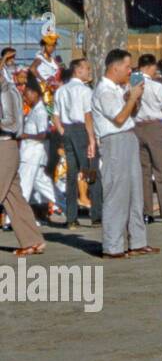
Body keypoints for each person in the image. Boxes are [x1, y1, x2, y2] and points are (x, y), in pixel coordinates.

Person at [91, 49, 156, 258]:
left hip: (128, 137)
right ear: (115, 67)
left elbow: (129, 114)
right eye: (127, 67)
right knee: (117, 193)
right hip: (115, 140)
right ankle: (112, 246)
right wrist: (132, 99)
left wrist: (134, 99)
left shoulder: (118, 89)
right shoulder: (104, 91)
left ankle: (137, 241)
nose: (130, 71)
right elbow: (118, 118)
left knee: (135, 192)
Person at [52, 57, 101, 227]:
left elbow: (55, 115)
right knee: (91, 171)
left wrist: (63, 131)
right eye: (86, 68)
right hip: (82, 130)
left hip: (67, 130)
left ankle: (71, 218)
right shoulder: (85, 90)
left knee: (72, 175)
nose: (89, 71)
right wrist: (92, 139)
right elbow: (88, 116)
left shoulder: (61, 90)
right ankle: (96, 216)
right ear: (78, 70)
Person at [0, 73, 44, 256]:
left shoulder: (7, 91)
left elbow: (13, 124)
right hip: (6, 147)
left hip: (5, 145)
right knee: (14, 198)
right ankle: (32, 241)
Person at [134, 54, 162, 224]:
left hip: (137, 127)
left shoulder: (131, 84)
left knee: (143, 173)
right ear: (150, 67)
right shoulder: (156, 86)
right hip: (156, 126)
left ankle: (146, 212)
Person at [18, 80, 57, 214]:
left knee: (23, 187)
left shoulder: (40, 111)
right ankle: (68, 208)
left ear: (35, 93)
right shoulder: (34, 110)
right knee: (45, 187)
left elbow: (43, 135)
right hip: (30, 155)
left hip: (32, 156)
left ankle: (12, 219)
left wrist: (24, 136)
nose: (25, 97)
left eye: (26, 94)